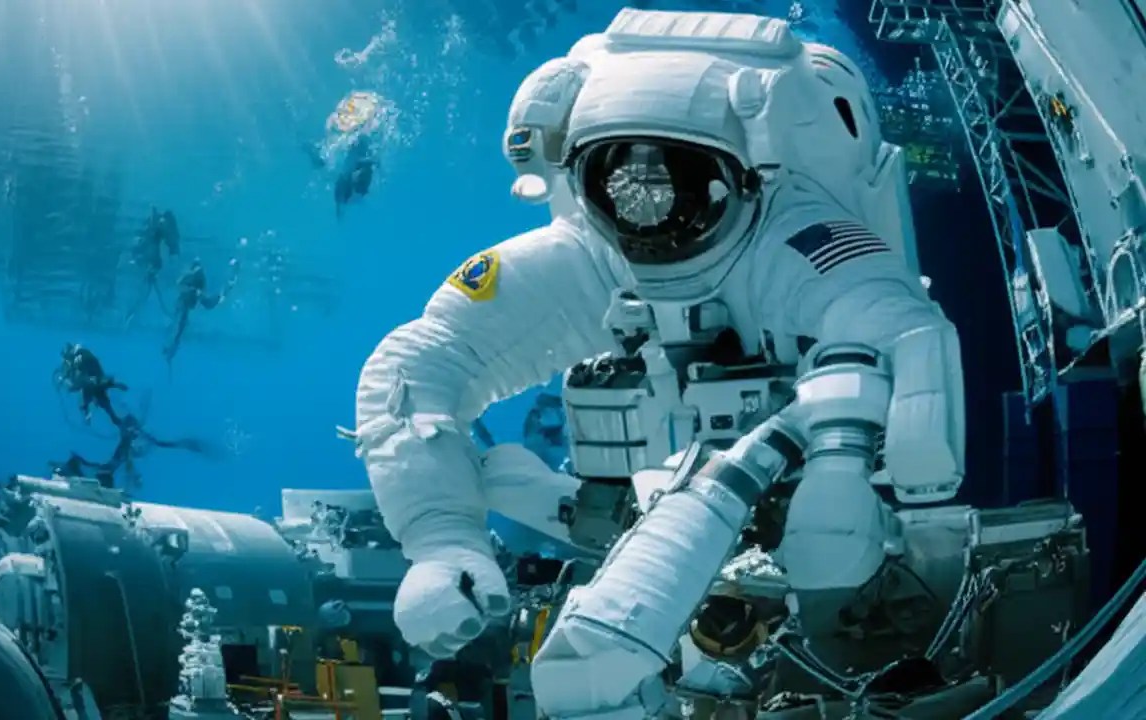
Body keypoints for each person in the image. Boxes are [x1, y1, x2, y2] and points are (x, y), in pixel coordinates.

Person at [348, 12, 965, 718]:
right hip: (647, 522)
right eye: (620, 180)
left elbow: (896, 324)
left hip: (798, 506)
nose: (646, 208)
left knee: (829, 566)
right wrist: (441, 537)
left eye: (674, 179)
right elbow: (420, 365)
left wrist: (844, 465)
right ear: (584, 178)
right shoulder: (589, 254)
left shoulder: (793, 236)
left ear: (747, 174)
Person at [163, 258, 237, 363]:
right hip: (188, 303)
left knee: (179, 326)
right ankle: (171, 348)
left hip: (188, 303)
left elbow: (183, 286)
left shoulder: (193, 277)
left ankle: (171, 348)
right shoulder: (194, 277)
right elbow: (188, 288)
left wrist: (195, 292)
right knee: (179, 327)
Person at [125, 206, 181, 325]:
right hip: (149, 262)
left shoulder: (154, 225)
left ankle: (131, 316)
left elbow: (170, 240)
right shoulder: (155, 225)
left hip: (149, 262)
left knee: (147, 292)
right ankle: (131, 316)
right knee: (147, 292)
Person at [56, 343, 128, 425]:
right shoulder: (83, 354)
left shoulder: (77, 359)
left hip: (91, 384)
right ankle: (117, 421)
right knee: (105, 405)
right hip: (97, 382)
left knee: (89, 402)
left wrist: (67, 383)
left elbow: (77, 382)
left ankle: (89, 416)